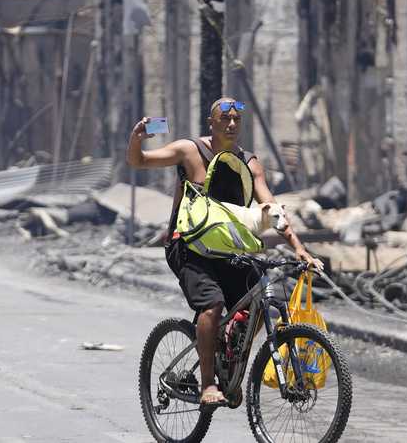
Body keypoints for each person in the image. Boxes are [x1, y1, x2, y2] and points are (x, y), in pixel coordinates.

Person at [126, 96, 323, 407]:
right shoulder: (190, 151)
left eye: (236, 120)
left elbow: (271, 209)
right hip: (188, 246)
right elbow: (140, 161)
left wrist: (299, 248)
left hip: (227, 248)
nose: (231, 124)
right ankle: (207, 385)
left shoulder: (249, 162)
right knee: (212, 304)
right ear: (211, 123)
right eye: (224, 119)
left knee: (263, 297)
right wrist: (136, 139)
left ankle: (229, 356)